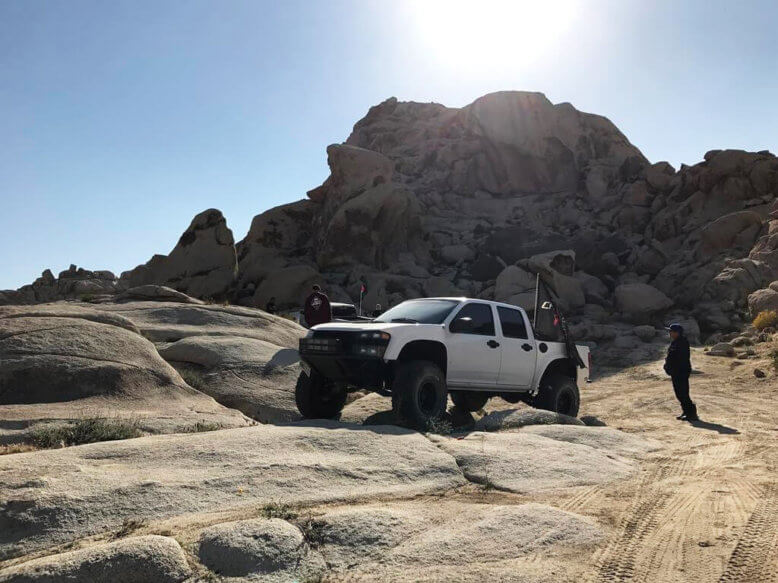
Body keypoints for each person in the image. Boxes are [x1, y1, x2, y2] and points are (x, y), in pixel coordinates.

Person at [664, 323, 698, 421]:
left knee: (683, 393)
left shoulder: (682, 342)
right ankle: (686, 412)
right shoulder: (676, 342)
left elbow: (679, 358)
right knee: (679, 393)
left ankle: (691, 414)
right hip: (676, 372)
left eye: (671, 331)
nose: (669, 333)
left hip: (681, 372)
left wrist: (671, 366)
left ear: (677, 333)